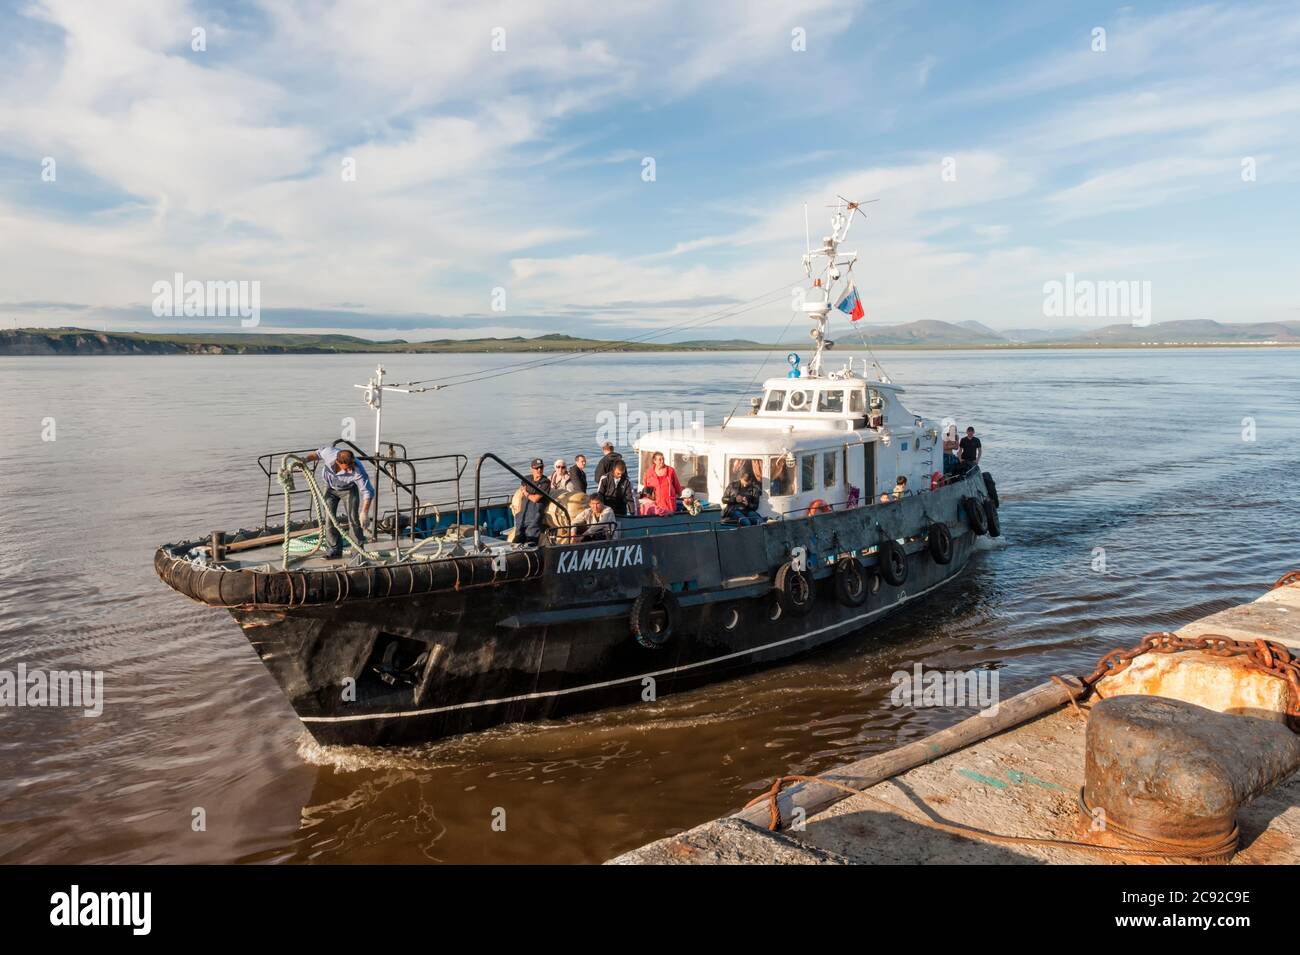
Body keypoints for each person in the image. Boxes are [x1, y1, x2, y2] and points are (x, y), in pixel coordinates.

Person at [303, 446, 375, 559]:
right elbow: (317, 454)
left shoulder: (358, 469)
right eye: (346, 468)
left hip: (349, 489)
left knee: (353, 519)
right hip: (330, 487)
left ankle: (357, 552)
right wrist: (305, 460)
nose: (349, 470)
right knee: (328, 519)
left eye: (351, 466)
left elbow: (368, 492)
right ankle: (334, 551)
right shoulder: (329, 452)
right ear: (337, 462)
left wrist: (364, 512)